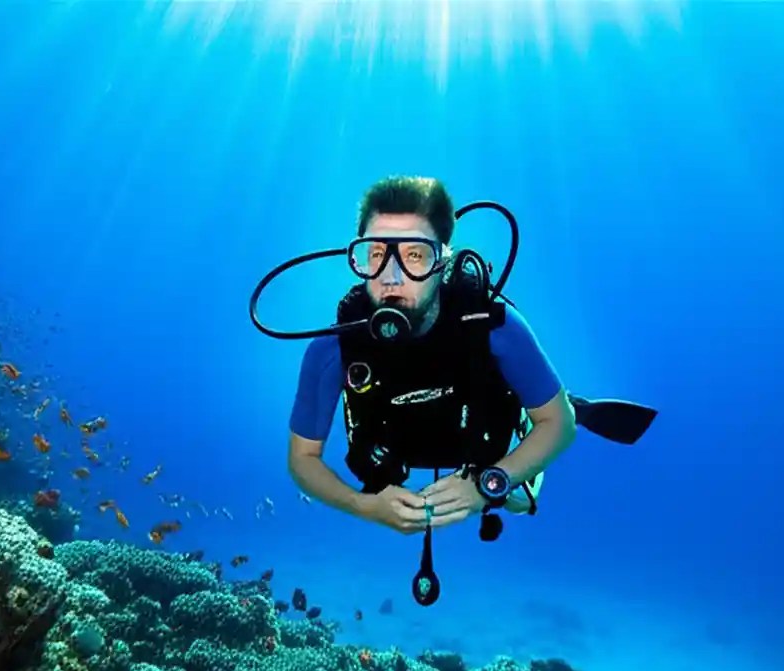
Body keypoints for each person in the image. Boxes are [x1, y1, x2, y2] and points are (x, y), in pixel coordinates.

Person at [281, 176, 656, 538]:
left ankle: (538, 401)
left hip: (482, 444)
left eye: (414, 255)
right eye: (376, 253)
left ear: (443, 261)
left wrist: (486, 486)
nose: (390, 276)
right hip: (392, 451)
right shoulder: (332, 350)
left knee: (519, 502)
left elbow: (561, 426)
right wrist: (364, 505)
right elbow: (302, 459)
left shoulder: (493, 325)